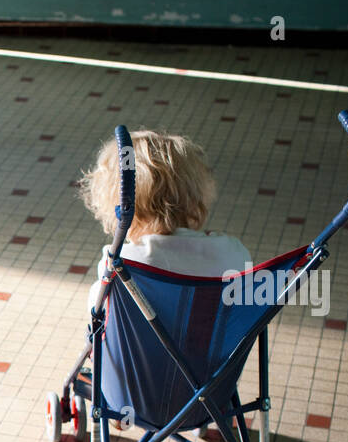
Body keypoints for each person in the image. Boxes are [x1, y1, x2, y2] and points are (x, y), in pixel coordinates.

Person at [78, 129, 249, 313]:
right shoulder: (233, 252)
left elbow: (98, 316)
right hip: (213, 342)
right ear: (197, 194)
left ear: (117, 201)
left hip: (141, 343)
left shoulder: (122, 264)